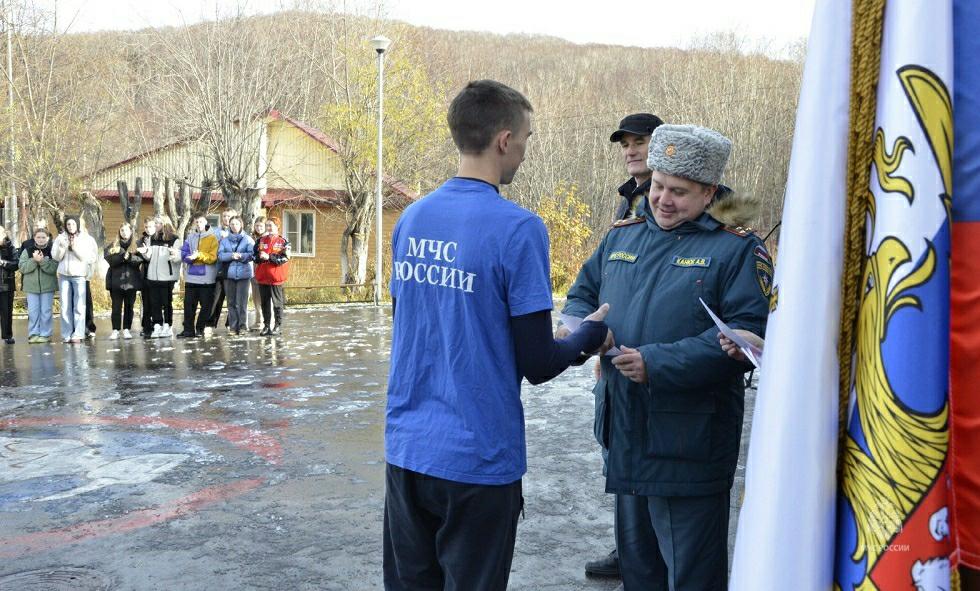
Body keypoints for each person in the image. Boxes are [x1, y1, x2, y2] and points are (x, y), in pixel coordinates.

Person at [383, 79, 612, 591]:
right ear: (504, 140)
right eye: (527, 139)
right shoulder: (518, 227)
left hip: (408, 449)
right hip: (477, 455)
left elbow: (411, 325)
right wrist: (587, 337)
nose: (525, 153)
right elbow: (537, 361)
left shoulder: (412, 217)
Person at [562, 124, 771, 590]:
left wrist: (655, 363)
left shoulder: (737, 249)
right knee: (639, 574)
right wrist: (582, 330)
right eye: (658, 186)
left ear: (710, 192)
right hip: (624, 432)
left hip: (688, 445)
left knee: (692, 577)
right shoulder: (623, 238)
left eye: (679, 191)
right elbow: (580, 295)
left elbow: (747, 334)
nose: (663, 200)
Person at [51, 215, 98, 344]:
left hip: (79, 275)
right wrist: (63, 248)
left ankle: (78, 333)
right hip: (64, 275)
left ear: (77, 224)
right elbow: (55, 256)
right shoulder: (60, 238)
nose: (71, 226)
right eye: (68, 224)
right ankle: (67, 333)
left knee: (79, 306)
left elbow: (90, 258)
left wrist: (75, 249)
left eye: (73, 224)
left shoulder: (86, 239)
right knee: (65, 305)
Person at [179, 215, 219, 338]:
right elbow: (184, 253)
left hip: (207, 279)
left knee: (206, 307)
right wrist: (189, 258)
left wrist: (199, 256)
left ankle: (200, 328)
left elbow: (213, 258)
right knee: (189, 306)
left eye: (201, 221)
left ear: (206, 222)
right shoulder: (190, 237)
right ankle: (188, 330)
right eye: (196, 222)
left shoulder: (213, 238)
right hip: (191, 278)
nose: (198, 224)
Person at [140, 218, 181, 338]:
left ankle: (168, 326)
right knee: (155, 302)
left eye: (157, 223)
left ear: (164, 224)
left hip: (166, 276)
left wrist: (174, 255)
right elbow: (148, 258)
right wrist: (145, 251)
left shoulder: (174, 238)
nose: (155, 225)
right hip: (152, 276)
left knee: (166, 302)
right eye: (155, 223)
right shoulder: (152, 238)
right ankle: (157, 325)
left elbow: (178, 258)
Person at [104, 222, 144, 340]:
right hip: (116, 282)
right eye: (122, 230)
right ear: (119, 232)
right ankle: (115, 330)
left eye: (126, 230)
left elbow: (140, 260)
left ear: (131, 231)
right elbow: (109, 260)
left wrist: (130, 257)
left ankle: (127, 329)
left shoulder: (137, 244)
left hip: (131, 282)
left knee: (129, 307)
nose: (124, 233)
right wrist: (123, 255)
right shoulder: (113, 245)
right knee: (116, 307)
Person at [19, 228, 58, 344]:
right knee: (33, 311)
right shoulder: (27, 250)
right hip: (31, 287)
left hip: (48, 286)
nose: (41, 240)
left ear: (48, 238)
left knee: (46, 311)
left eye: (43, 237)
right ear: (34, 238)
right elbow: (22, 267)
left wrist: (42, 261)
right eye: (38, 237)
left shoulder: (52, 251)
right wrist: (34, 261)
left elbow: (53, 268)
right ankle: (33, 333)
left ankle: (45, 334)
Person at [217, 216, 254, 336]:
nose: (234, 226)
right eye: (232, 224)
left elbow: (252, 254)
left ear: (241, 225)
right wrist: (231, 256)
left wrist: (241, 256)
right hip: (229, 275)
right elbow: (220, 256)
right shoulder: (224, 240)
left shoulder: (248, 239)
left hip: (244, 275)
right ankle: (233, 327)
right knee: (231, 302)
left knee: (242, 303)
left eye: (237, 224)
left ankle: (243, 326)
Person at [254, 216, 289, 336]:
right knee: (264, 303)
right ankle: (266, 325)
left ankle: (277, 326)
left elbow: (285, 258)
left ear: (277, 226)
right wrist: (260, 257)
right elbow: (254, 256)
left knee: (277, 303)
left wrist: (269, 257)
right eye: (267, 225)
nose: (268, 228)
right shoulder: (260, 240)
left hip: (276, 278)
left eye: (271, 225)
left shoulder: (283, 241)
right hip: (262, 277)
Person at [207, 208, 238, 335]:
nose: (226, 218)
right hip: (219, 270)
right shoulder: (215, 232)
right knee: (216, 298)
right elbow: (211, 249)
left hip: (233, 270)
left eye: (229, 216)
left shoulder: (239, 233)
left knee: (232, 299)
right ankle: (209, 324)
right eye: (224, 216)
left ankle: (231, 324)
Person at [137, 218, 157, 337]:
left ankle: (157, 324)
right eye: (146, 227)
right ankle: (146, 326)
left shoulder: (159, 239)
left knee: (156, 301)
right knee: (146, 302)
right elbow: (143, 257)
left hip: (157, 274)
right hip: (145, 274)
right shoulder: (141, 240)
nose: (148, 229)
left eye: (150, 226)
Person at [0, 226, 18, 344]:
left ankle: (7, 336)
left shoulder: (10, 247)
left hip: (5, 284)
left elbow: (16, 264)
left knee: (6, 312)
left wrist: (3, 263)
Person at [249, 216, 266, 332]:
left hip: (265, 272)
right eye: (257, 225)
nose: (258, 228)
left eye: (261, 226)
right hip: (254, 271)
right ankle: (258, 320)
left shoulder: (267, 238)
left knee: (265, 298)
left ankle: (267, 321)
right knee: (256, 298)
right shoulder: (252, 238)